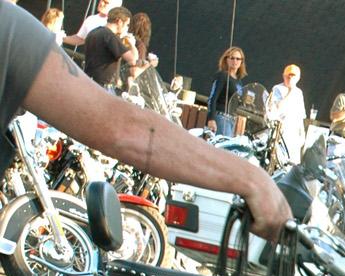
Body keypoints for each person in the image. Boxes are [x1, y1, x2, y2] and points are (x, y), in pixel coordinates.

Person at [0, 3, 288, 239]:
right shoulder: (9, 26)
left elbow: (122, 127)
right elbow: (122, 129)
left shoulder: (11, 26)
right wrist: (253, 179)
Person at [81, 7, 134, 90]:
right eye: (127, 25)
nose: (127, 28)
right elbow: (132, 59)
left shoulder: (93, 32)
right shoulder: (110, 37)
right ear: (119, 21)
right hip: (103, 86)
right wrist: (132, 44)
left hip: (88, 80)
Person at [267, 64, 306, 164]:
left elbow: (300, 115)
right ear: (283, 76)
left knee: (292, 164)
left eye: (293, 75)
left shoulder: (299, 92)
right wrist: (291, 90)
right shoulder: (277, 88)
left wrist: (302, 134)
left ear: (298, 78)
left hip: (294, 134)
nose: (290, 77)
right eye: (288, 75)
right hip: (281, 132)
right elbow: (278, 107)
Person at [205, 46, 247, 136]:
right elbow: (213, 97)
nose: (235, 61)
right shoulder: (222, 75)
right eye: (232, 58)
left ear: (241, 62)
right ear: (226, 59)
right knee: (223, 146)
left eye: (238, 59)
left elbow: (236, 101)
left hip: (232, 119)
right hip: (220, 116)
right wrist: (211, 119)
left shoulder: (239, 81)